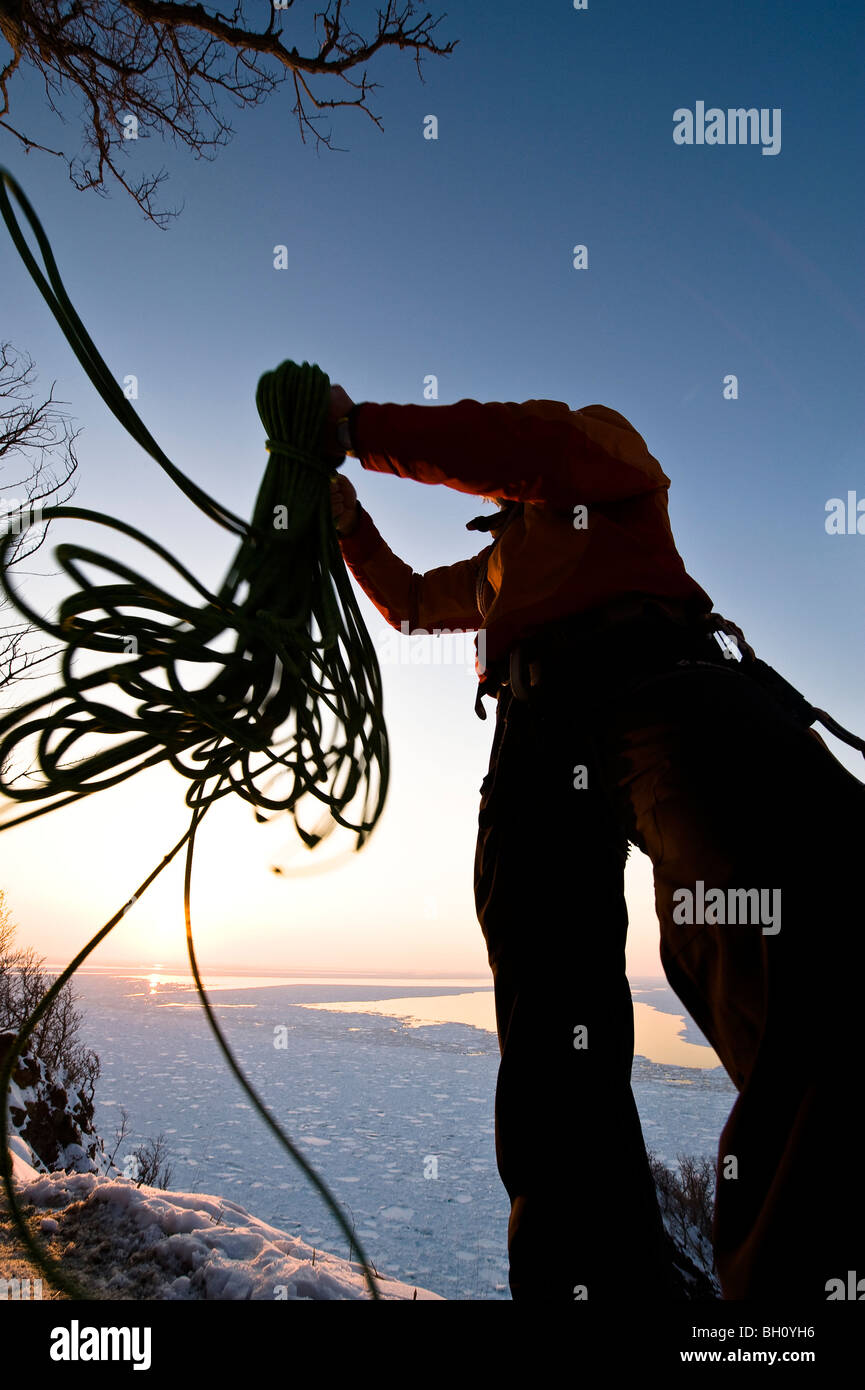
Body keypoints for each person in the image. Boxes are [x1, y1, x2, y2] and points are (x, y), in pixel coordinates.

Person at [321, 387, 865, 1302]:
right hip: (541, 727)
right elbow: (414, 605)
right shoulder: (501, 568)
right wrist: (346, 523)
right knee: (549, 1026)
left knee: (810, 912)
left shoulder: (605, 456)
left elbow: (518, 442)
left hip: (662, 682)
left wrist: (356, 431)